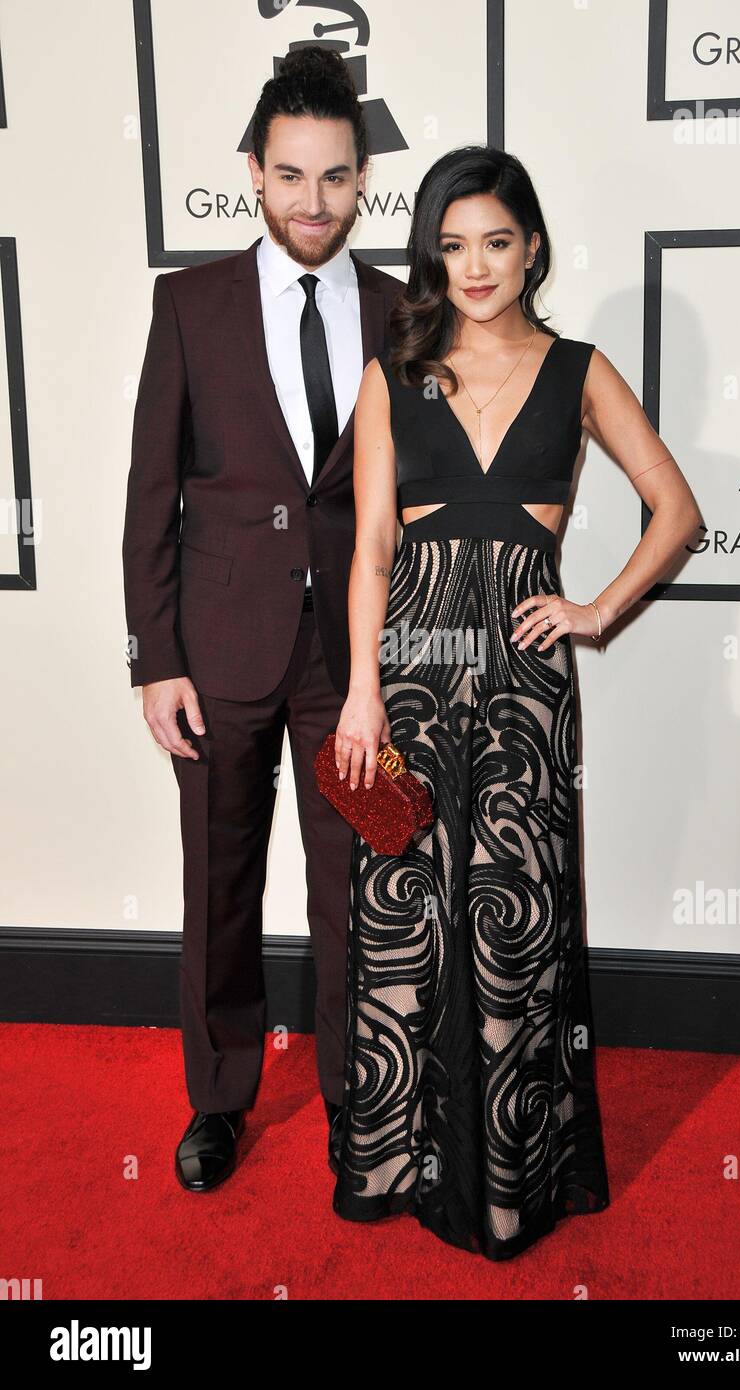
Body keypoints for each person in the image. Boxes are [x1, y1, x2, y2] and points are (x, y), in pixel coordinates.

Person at [330, 145, 702, 1259]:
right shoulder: (391, 371)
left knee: (508, 930)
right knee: (402, 921)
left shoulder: (578, 368)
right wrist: (360, 694)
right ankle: (396, 1158)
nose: (474, 266)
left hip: (523, 687)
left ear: (531, 244)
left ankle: (505, 1181)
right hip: (407, 668)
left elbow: (674, 510)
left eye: (495, 241)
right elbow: (372, 546)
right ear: (429, 257)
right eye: (450, 246)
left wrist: (592, 609)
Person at [121, 47, 403, 1191]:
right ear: (252, 171)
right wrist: (156, 657)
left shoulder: (401, 308)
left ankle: (353, 1097)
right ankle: (219, 1099)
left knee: (359, 890)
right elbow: (152, 487)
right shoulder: (186, 302)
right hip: (220, 650)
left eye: (335, 178)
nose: (312, 203)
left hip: (352, 660)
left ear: (362, 179)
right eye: (291, 176)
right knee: (216, 886)